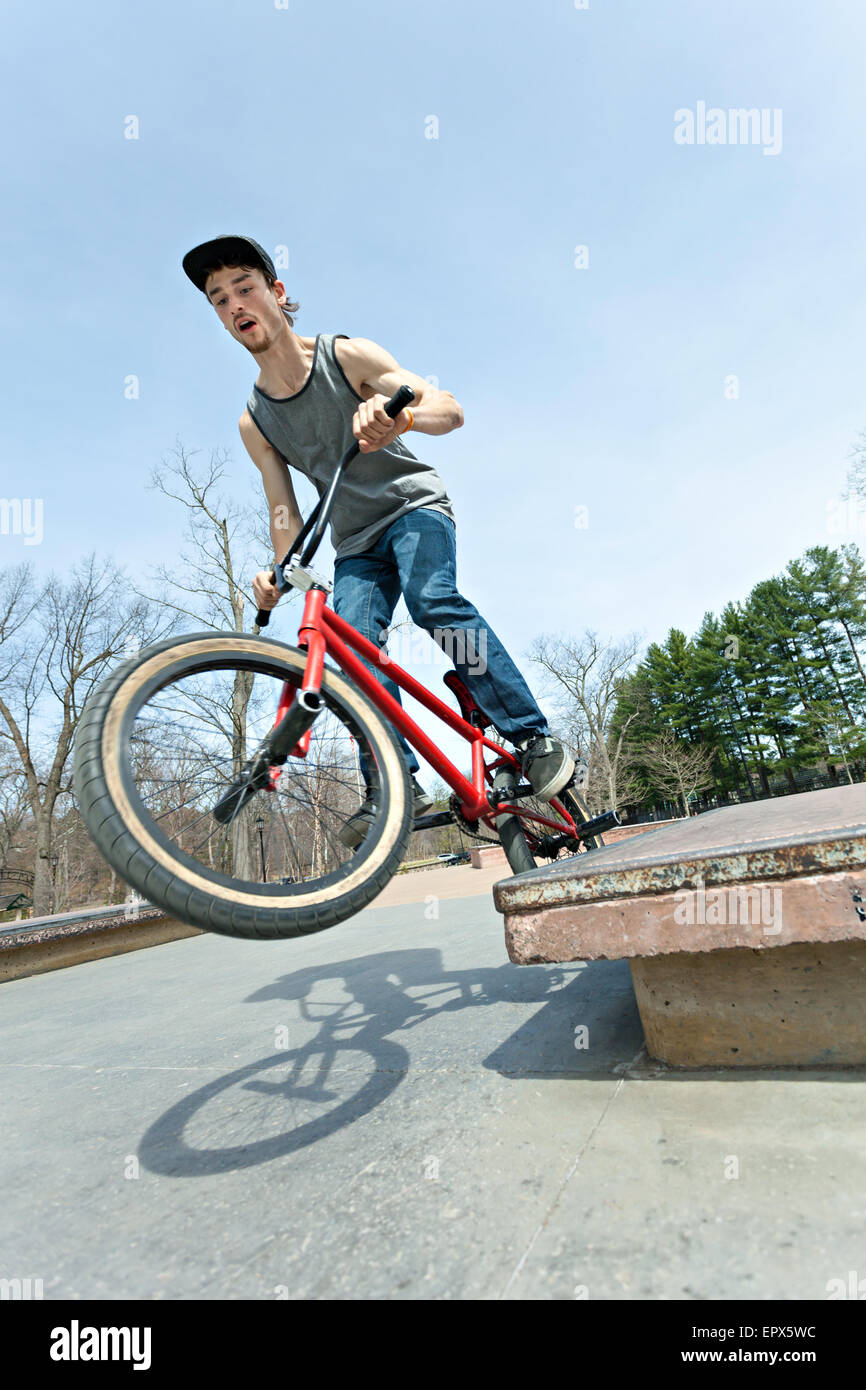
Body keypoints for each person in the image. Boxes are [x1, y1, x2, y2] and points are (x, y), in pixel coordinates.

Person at [182, 235, 575, 846]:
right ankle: (394, 781)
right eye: (219, 299)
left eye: (245, 287)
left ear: (277, 294)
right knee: (357, 647)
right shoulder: (254, 420)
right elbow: (283, 508)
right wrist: (277, 570)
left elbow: (448, 407)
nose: (235, 304)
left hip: (414, 508)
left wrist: (401, 416)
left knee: (432, 601)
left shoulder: (347, 356)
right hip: (357, 543)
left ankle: (532, 736)